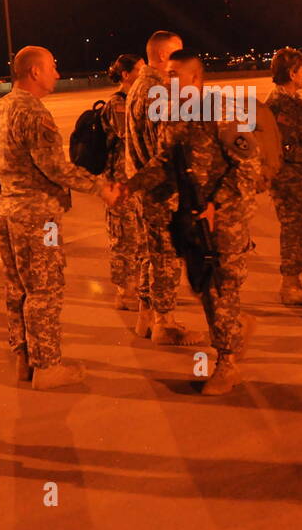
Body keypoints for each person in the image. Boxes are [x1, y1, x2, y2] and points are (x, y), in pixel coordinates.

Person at [0, 46, 122, 390]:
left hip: (8, 211)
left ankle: (25, 359)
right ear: (34, 72)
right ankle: (47, 366)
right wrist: (99, 187)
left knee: (18, 288)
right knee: (45, 289)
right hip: (38, 217)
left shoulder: (0, 108)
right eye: (53, 68)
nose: (57, 75)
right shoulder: (33, 112)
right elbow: (54, 167)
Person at [126, 50, 262, 394]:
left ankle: (227, 365)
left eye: (175, 75)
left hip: (226, 220)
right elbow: (163, 163)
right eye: (167, 74)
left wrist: (217, 204)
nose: (167, 81)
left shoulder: (223, 112)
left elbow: (249, 168)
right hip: (192, 217)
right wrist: (129, 187)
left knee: (220, 290)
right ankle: (235, 328)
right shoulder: (172, 115)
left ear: (195, 79)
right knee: (204, 288)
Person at [124, 30, 207, 345]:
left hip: (143, 186)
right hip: (160, 190)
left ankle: (146, 317)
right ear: (162, 56)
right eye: (177, 53)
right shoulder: (159, 91)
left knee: (151, 254)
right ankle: (165, 322)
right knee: (165, 257)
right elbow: (168, 151)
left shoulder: (138, 86)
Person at [265, 47, 302, 306]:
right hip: (287, 179)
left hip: (296, 176)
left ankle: (294, 279)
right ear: (292, 73)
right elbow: (288, 148)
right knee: (293, 230)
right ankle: (289, 286)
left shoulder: (293, 102)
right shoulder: (279, 106)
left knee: (299, 229)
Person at [102, 54, 145, 310]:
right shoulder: (118, 104)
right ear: (126, 74)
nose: (143, 73)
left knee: (138, 237)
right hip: (119, 181)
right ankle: (123, 291)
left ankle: (139, 287)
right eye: (139, 70)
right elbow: (127, 135)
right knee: (123, 238)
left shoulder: (135, 101)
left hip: (135, 180)